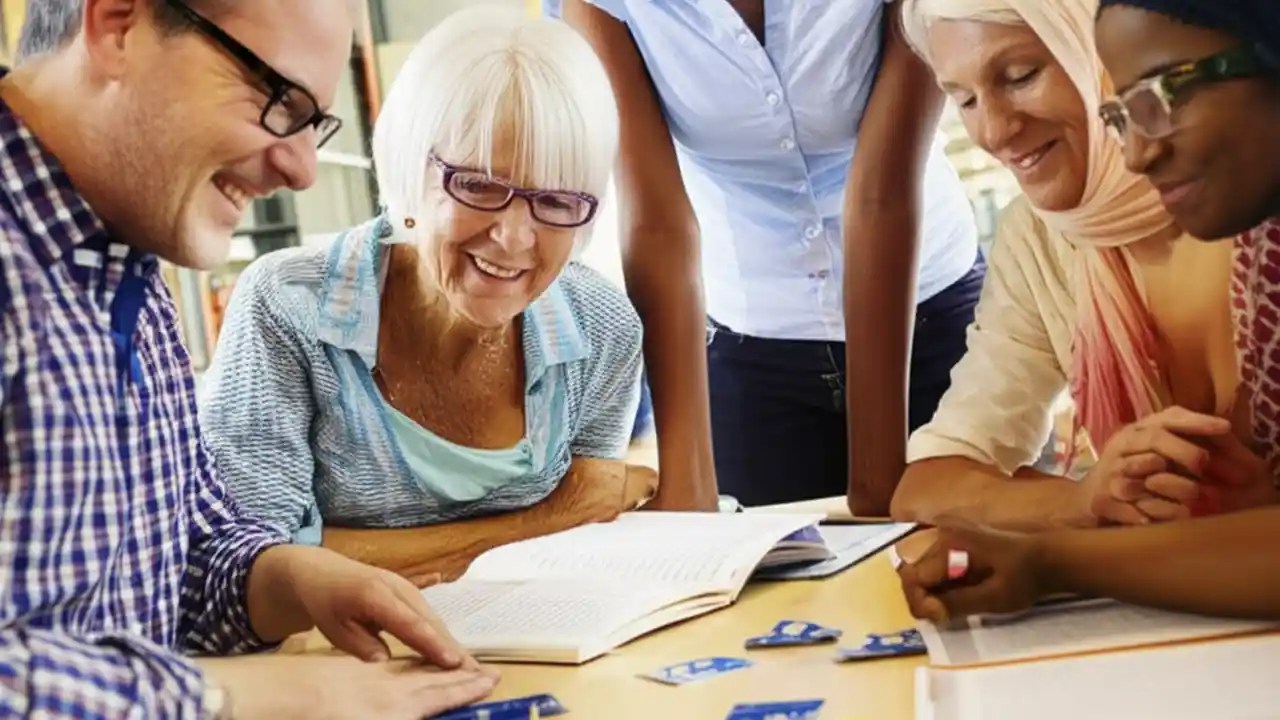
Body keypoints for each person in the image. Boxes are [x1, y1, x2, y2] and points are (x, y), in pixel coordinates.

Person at [0, 1, 500, 717]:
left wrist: (289, 578)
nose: (300, 169)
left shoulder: (130, 268)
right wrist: (224, 695)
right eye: (278, 101)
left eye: (314, 122)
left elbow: (182, 565)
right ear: (117, 26)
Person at [200, 6, 654, 584]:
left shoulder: (602, 325)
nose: (514, 238)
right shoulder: (286, 306)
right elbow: (257, 568)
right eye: (478, 185)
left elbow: (584, 549)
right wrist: (550, 516)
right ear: (410, 167)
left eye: (558, 201)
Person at [900, 0, 1280, 623]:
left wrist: (1055, 558)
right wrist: (1083, 502)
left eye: (1020, 75)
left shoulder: (1252, 211)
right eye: (962, 100)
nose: (993, 132)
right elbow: (928, 485)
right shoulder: (1047, 237)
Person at [553, 0, 985, 511]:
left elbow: (880, 194)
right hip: (749, 344)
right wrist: (688, 488)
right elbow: (657, 224)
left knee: (972, 567)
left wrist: (878, 487)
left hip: (928, 311)